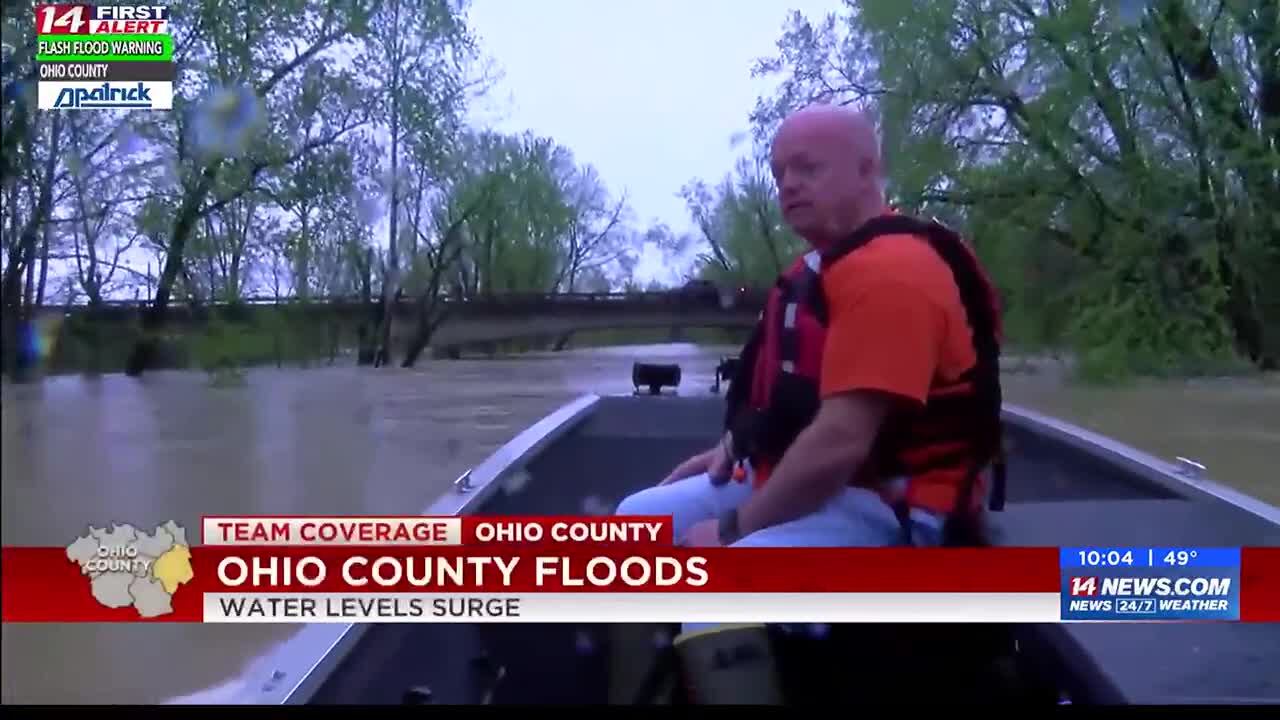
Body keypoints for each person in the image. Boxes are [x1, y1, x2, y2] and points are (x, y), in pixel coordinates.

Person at [614, 104, 1006, 551]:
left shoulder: (894, 274)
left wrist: (732, 528)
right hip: (824, 485)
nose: (788, 185)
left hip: (893, 506)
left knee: (721, 579)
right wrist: (739, 445)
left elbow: (841, 442)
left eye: (807, 167)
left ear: (866, 169)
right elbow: (798, 404)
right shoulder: (820, 270)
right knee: (636, 521)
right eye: (779, 173)